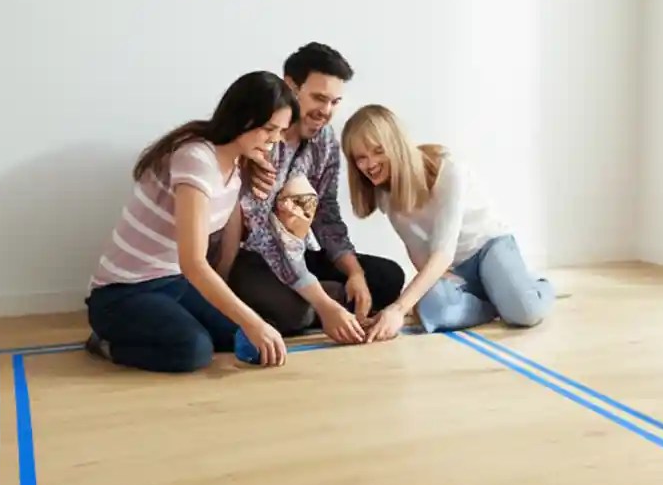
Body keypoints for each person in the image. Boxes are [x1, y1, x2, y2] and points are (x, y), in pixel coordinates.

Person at [84, 71, 294, 372]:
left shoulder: (239, 161)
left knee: (245, 334)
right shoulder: (195, 158)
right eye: (268, 129)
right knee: (193, 351)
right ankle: (105, 344)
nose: (274, 141)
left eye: (280, 131)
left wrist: (239, 305)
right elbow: (193, 263)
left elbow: (230, 223)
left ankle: (178, 324)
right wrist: (251, 321)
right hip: (123, 293)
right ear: (243, 118)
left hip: (174, 283)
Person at [228, 42, 406, 343]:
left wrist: (355, 272)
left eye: (335, 102)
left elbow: (326, 214)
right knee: (299, 314)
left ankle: (318, 296)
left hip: (300, 251)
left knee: (388, 277)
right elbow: (263, 235)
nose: (325, 111)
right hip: (254, 259)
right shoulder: (261, 138)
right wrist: (324, 303)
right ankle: (316, 300)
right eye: (319, 98)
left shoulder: (325, 142)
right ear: (290, 86)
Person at [339, 104, 555, 341]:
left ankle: (535, 287)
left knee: (524, 313)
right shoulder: (383, 193)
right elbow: (416, 248)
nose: (370, 164)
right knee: (432, 308)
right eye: (361, 158)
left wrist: (399, 309)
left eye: (378, 151)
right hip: (453, 269)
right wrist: (427, 293)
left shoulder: (449, 169)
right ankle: (495, 302)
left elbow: (442, 252)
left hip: (488, 248)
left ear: (396, 145)